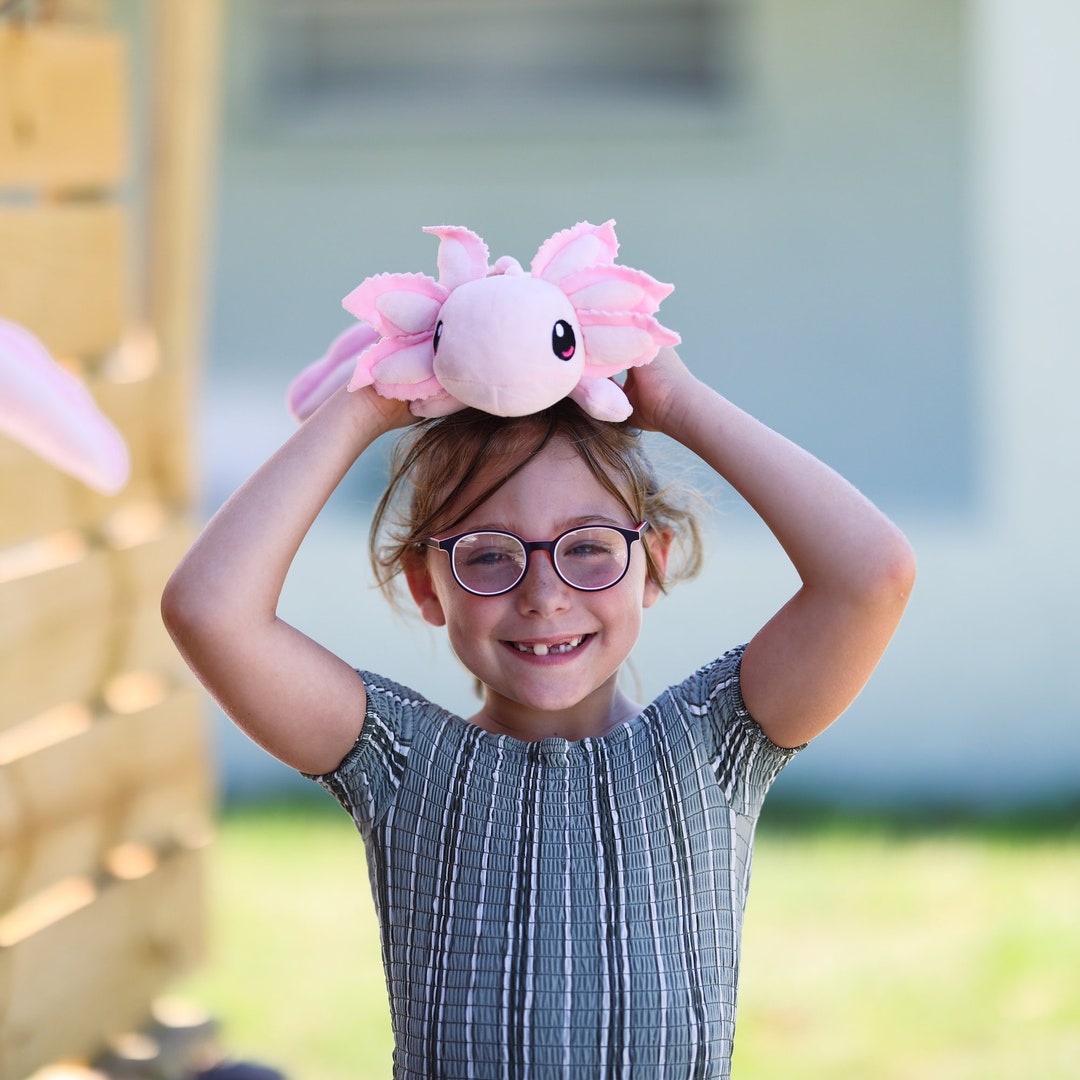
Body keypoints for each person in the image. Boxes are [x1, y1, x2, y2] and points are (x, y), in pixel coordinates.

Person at [162, 345, 915, 1077]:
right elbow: (209, 612)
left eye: (587, 546)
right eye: (489, 554)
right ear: (428, 588)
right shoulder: (400, 761)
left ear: (650, 562)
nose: (544, 594)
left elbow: (871, 577)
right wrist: (363, 409)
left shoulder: (715, 743)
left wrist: (681, 405)